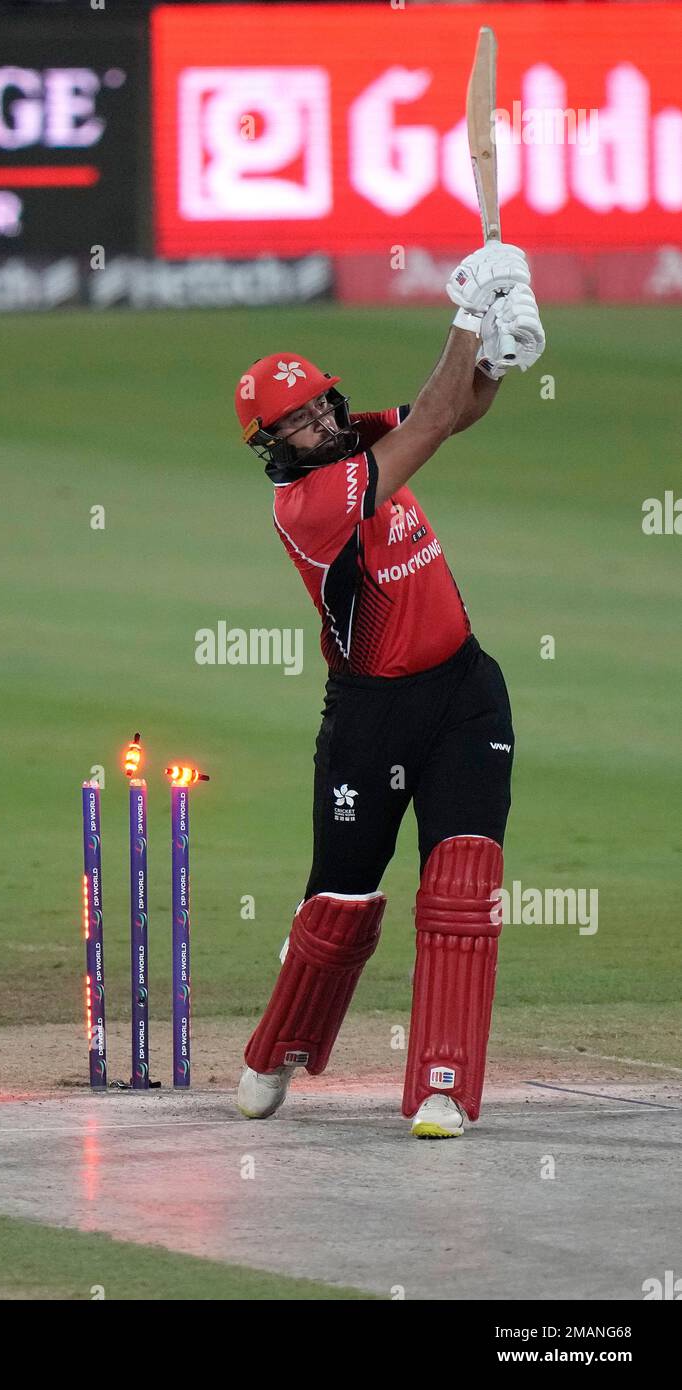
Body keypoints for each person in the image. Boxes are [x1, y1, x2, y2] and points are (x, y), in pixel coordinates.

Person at [232, 242, 545, 1138]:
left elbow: (459, 408)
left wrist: (500, 343)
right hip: (371, 718)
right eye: (300, 420)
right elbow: (439, 415)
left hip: (464, 692)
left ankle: (442, 1086)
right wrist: (465, 307)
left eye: (325, 402)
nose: (324, 420)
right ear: (271, 448)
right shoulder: (312, 505)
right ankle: (276, 1051)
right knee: (342, 904)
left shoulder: (355, 440)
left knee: (461, 886)